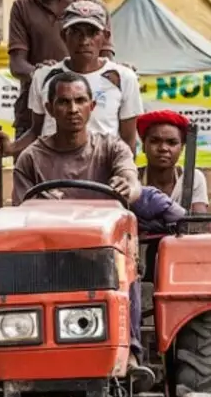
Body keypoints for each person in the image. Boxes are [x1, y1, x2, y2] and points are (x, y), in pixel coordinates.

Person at [11, 70, 149, 379]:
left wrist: (128, 187)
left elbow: (131, 178)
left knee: (128, 268)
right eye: (63, 102)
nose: (72, 109)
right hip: (48, 256)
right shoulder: (30, 159)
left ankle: (132, 353)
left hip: (103, 256)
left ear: (92, 107)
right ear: (49, 109)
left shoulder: (112, 148)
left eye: (79, 101)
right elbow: (20, 217)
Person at [7, 0, 116, 137]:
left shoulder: (96, 9)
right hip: (34, 115)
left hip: (82, 117)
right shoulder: (23, 7)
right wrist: (42, 74)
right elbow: (17, 63)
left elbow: (106, 59)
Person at [4, 0, 141, 160]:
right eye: (76, 33)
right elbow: (36, 131)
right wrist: (10, 147)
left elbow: (128, 141)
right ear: (64, 36)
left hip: (102, 172)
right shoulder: (44, 76)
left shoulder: (123, 78)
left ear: (105, 37)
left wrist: (125, 176)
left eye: (92, 33)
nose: (84, 41)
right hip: (52, 170)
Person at [137, 110, 210, 213]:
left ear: (181, 149)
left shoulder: (193, 178)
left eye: (172, 143)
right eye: (155, 141)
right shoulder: (132, 179)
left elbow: (199, 223)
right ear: (144, 146)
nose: (163, 148)